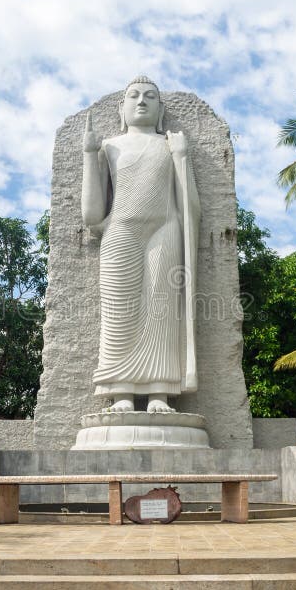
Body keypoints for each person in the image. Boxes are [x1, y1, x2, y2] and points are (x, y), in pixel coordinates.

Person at [81, 75, 200, 413]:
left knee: (161, 311)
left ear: (161, 109)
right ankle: (121, 392)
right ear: (122, 108)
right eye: (133, 96)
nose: (142, 101)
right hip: (120, 231)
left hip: (165, 230)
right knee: (119, 313)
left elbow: (190, 205)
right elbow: (91, 215)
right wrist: (90, 155)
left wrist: (182, 157)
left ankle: (161, 392)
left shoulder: (170, 145)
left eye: (150, 96)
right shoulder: (110, 146)